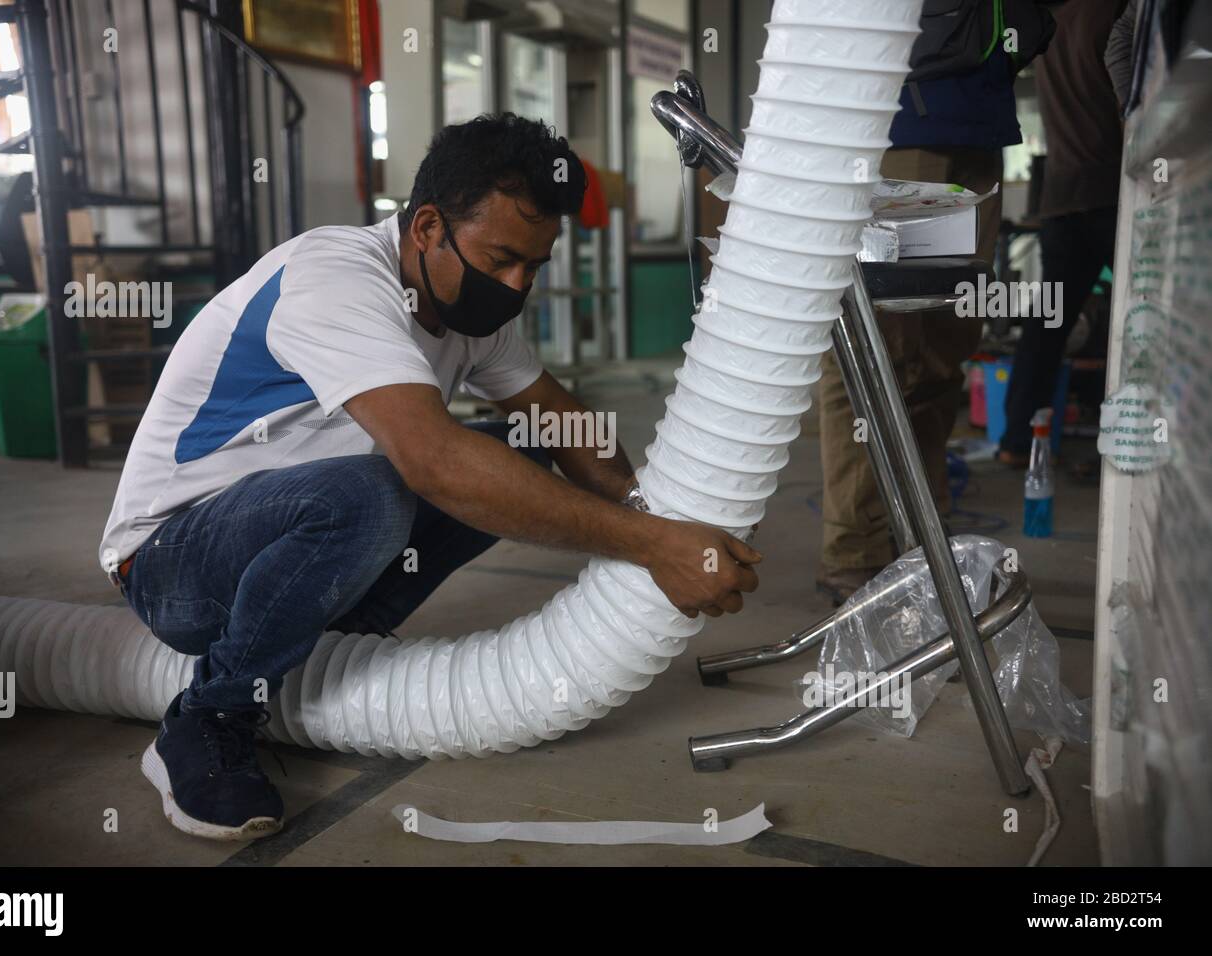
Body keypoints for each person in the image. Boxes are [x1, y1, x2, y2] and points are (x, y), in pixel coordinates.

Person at [99, 114, 762, 840]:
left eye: (534, 267)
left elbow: (562, 423)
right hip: (171, 561)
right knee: (382, 489)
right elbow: (434, 466)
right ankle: (206, 717)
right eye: (503, 257)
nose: (516, 285)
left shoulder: (471, 312)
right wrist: (650, 544)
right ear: (425, 227)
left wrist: (656, 512)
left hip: (281, 537)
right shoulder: (335, 277)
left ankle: (335, 634)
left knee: (522, 442)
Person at [816, 27, 1022, 605]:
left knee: (942, 354)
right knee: (877, 353)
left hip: (978, 125)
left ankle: (923, 541)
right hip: (901, 118)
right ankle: (855, 552)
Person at [999, 0, 1127, 467]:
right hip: (1115, 193)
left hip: (1061, 199)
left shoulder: (1050, 24)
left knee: (1046, 327)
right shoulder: (1112, 13)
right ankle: (1141, 441)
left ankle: (1015, 442)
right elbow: (1128, 102)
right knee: (1141, 317)